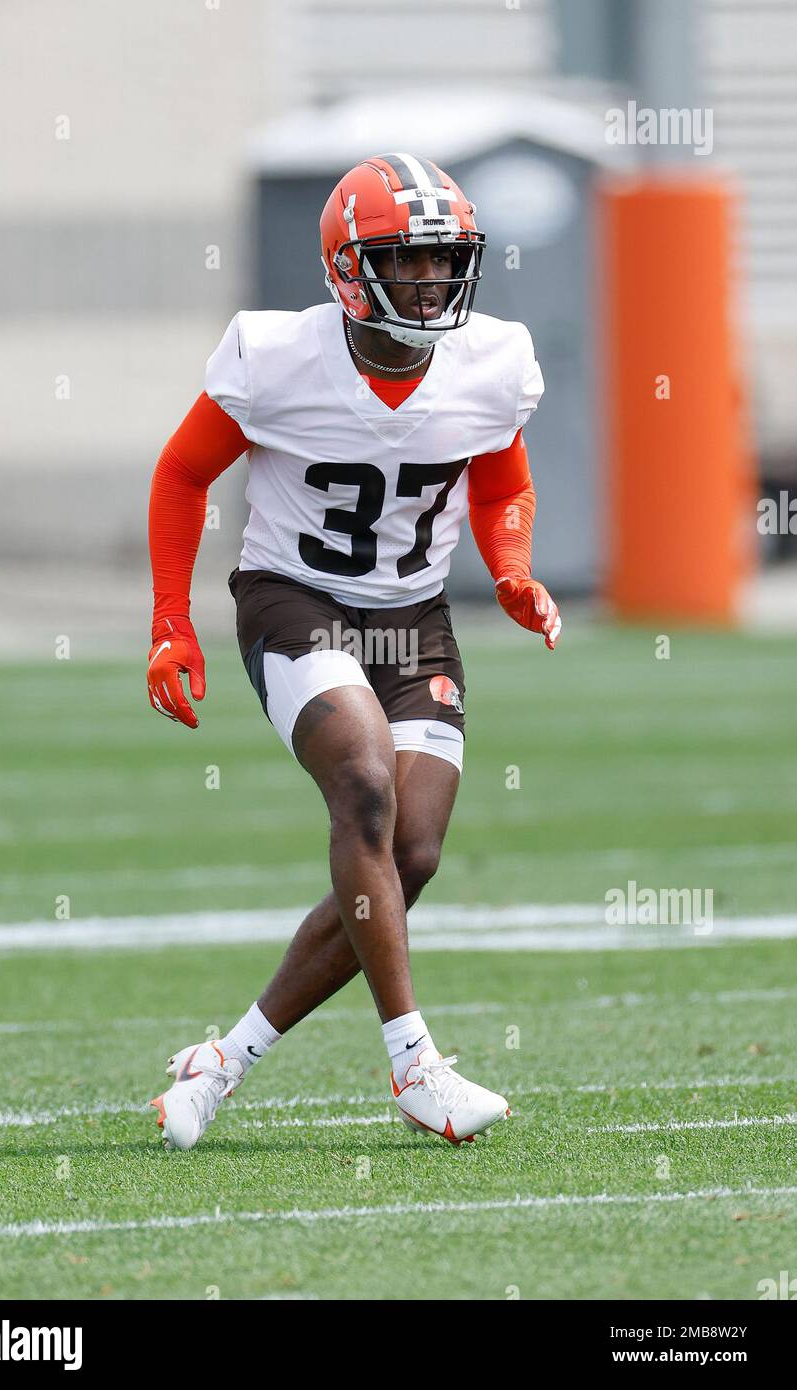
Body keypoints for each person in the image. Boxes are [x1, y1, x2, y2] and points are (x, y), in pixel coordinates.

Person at [147, 152, 561, 1150]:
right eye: (405, 263)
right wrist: (171, 618)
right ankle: (416, 1063)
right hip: (295, 599)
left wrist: (510, 571)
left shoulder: (490, 360)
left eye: (441, 262)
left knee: (406, 851)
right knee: (365, 789)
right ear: (345, 268)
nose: (428, 282)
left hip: (412, 619)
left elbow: (500, 483)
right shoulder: (274, 354)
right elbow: (182, 472)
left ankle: (222, 1063)